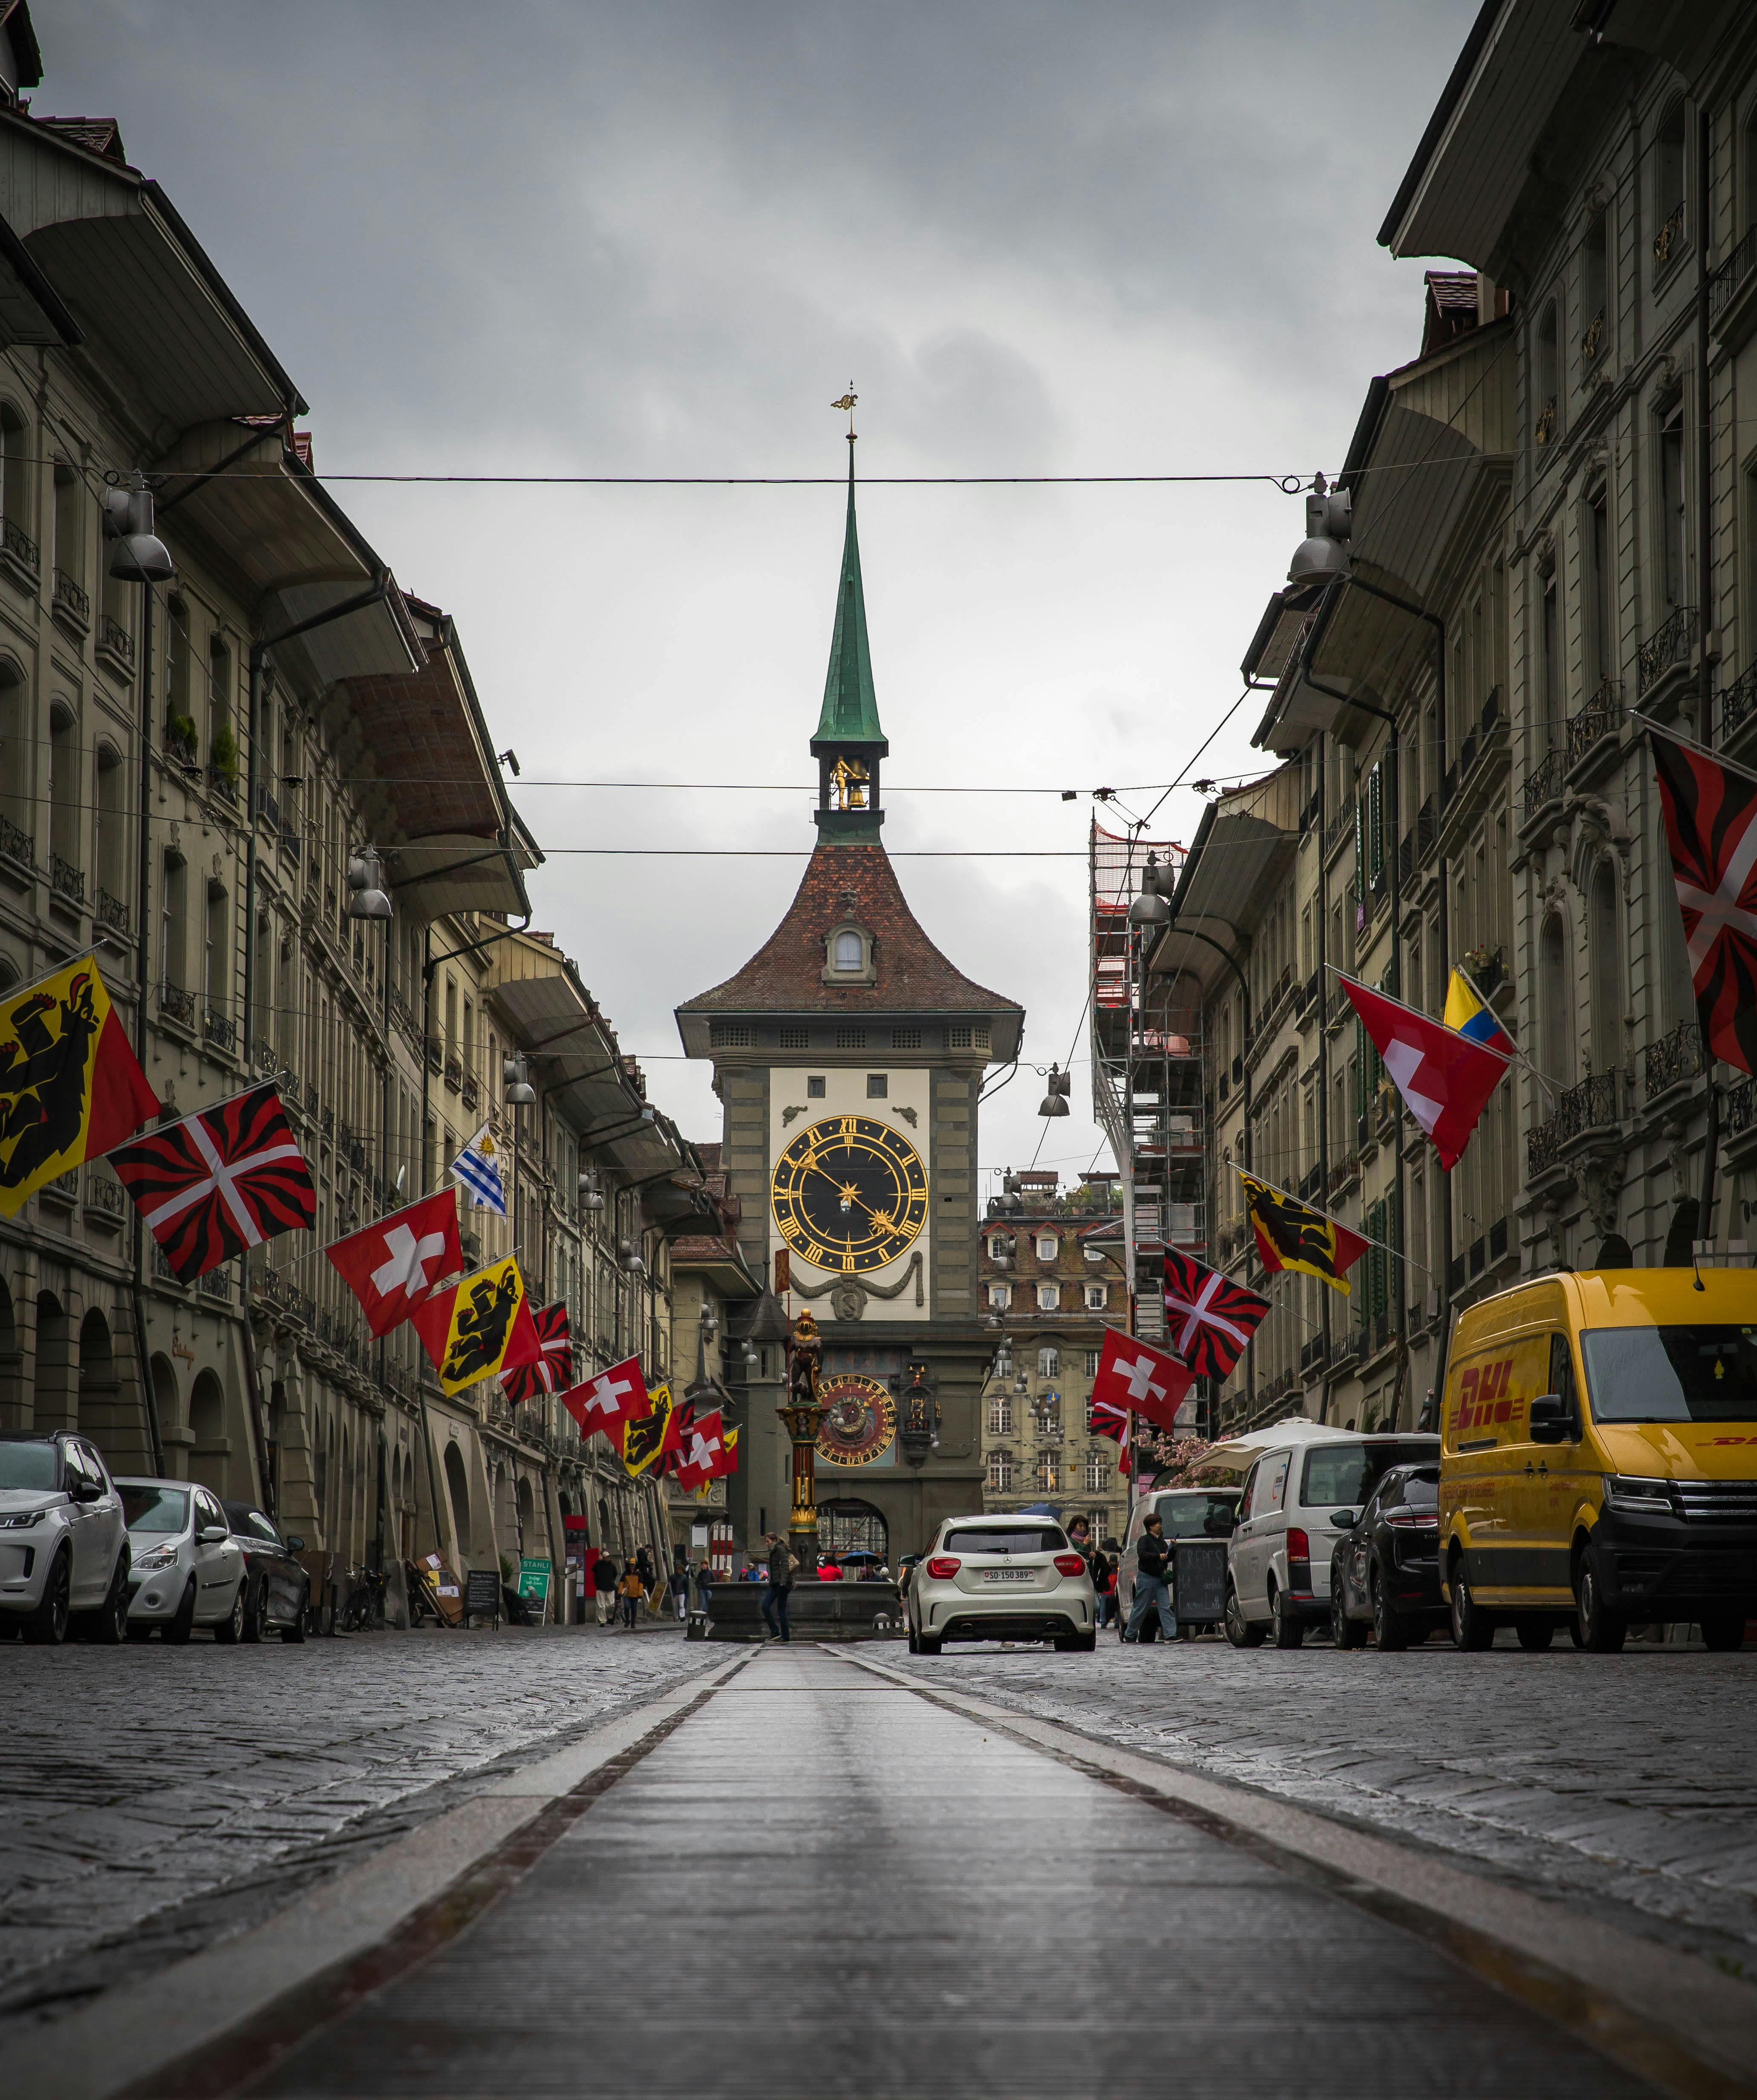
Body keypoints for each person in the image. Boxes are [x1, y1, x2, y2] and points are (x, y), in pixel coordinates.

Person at [1123, 1513, 1176, 1643]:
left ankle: (1171, 1634)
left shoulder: (1161, 1541)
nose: (1161, 1525)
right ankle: (1130, 1634)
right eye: (1158, 1523)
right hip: (1146, 1578)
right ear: (1151, 1527)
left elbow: (1168, 1557)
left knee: (1165, 1607)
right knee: (1140, 1608)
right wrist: (1159, 1556)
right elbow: (1142, 1555)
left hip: (1160, 1578)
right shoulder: (1144, 1540)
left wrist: (1173, 1549)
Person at [761, 1531, 794, 1642]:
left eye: (768, 1542)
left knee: (781, 1610)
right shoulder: (773, 1551)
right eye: (766, 1542)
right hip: (775, 1583)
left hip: (782, 1584)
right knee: (765, 1606)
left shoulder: (780, 1549)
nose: (767, 1544)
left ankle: (785, 1636)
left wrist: (783, 1583)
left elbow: (785, 1567)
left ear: (774, 1541)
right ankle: (775, 1631)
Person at [591, 1547, 618, 1626]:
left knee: (611, 1605)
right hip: (600, 1588)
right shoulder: (599, 1564)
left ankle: (610, 1617)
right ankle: (603, 1621)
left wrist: (611, 1581)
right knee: (601, 1606)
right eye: (605, 1557)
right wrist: (598, 1561)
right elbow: (593, 1569)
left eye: (608, 1557)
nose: (607, 1558)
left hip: (610, 1588)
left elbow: (615, 1574)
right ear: (602, 1557)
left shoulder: (612, 1565)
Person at [618, 1559, 644, 1630]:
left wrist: (640, 1594)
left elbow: (641, 1584)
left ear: (636, 1566)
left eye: (633, 1565)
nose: (632, 1566)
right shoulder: (626, 1573)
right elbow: (621, 1583)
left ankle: (633, 1623)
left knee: (634, 1609)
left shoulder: (639, 1574)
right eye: (631, 1565)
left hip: (635, 1595)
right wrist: (620, 1592)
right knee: (627, 1607)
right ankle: (627, 1621)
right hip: (627, 1594)